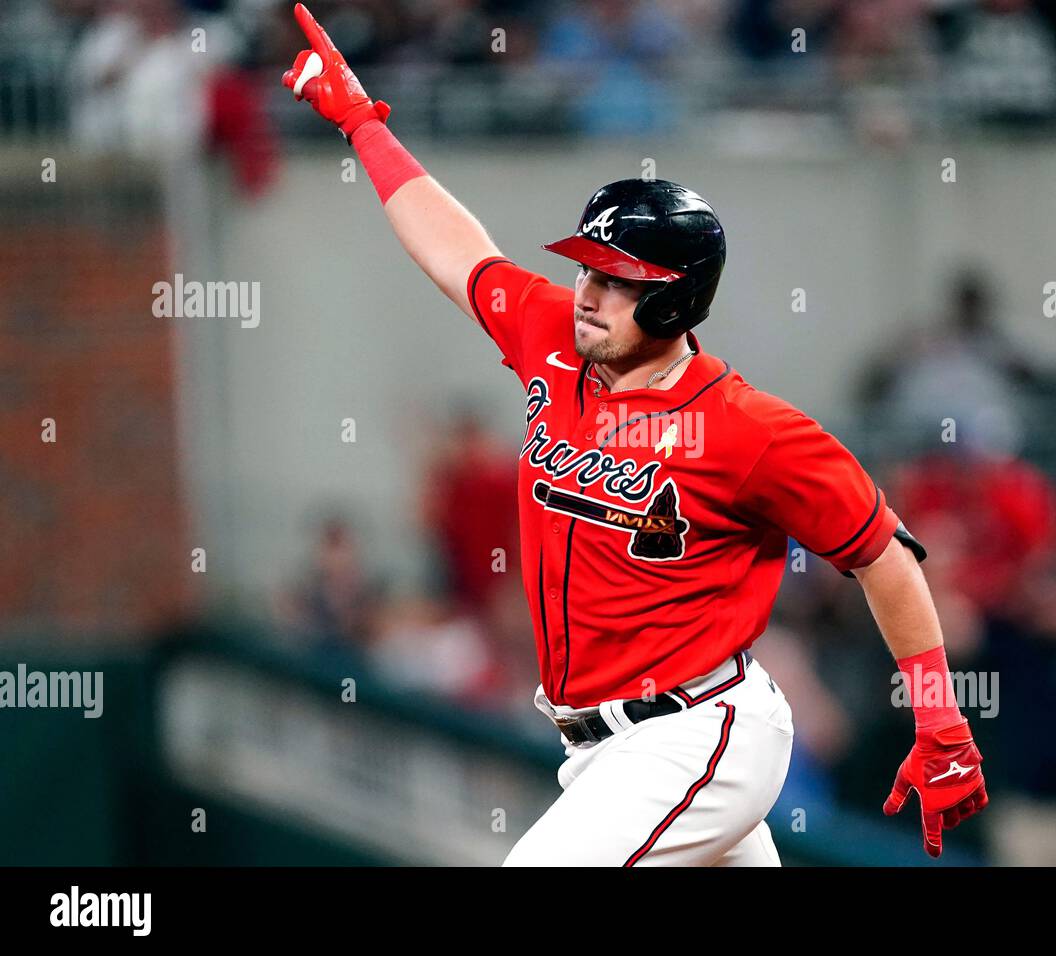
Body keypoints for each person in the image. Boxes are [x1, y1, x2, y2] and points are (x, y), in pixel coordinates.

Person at [278, 3, 988, 866]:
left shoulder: (749, 430)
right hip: (601, 750)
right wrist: (361, 122)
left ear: (678, 298)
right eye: (588, 269)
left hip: (699, 734)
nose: (587, 292)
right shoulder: (556, 341)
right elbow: (457, 251)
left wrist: (940, 718)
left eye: (617, 280)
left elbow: (884, 553)